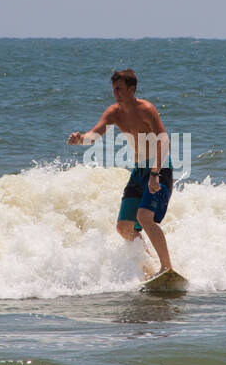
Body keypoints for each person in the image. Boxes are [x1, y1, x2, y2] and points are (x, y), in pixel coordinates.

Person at [67, 69, 174, 275]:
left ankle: (167, 268)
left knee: (144, 217)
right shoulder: (114, 112)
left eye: (119, 89)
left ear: (131, 89)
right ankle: (149, 268)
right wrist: (81, 139)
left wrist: (155, 173)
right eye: (114, 89)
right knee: (124, 227)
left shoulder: (146, 109)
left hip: (159, 168)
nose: (115, 93)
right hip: (139, 170)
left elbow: (164, 140)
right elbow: (95, 134)